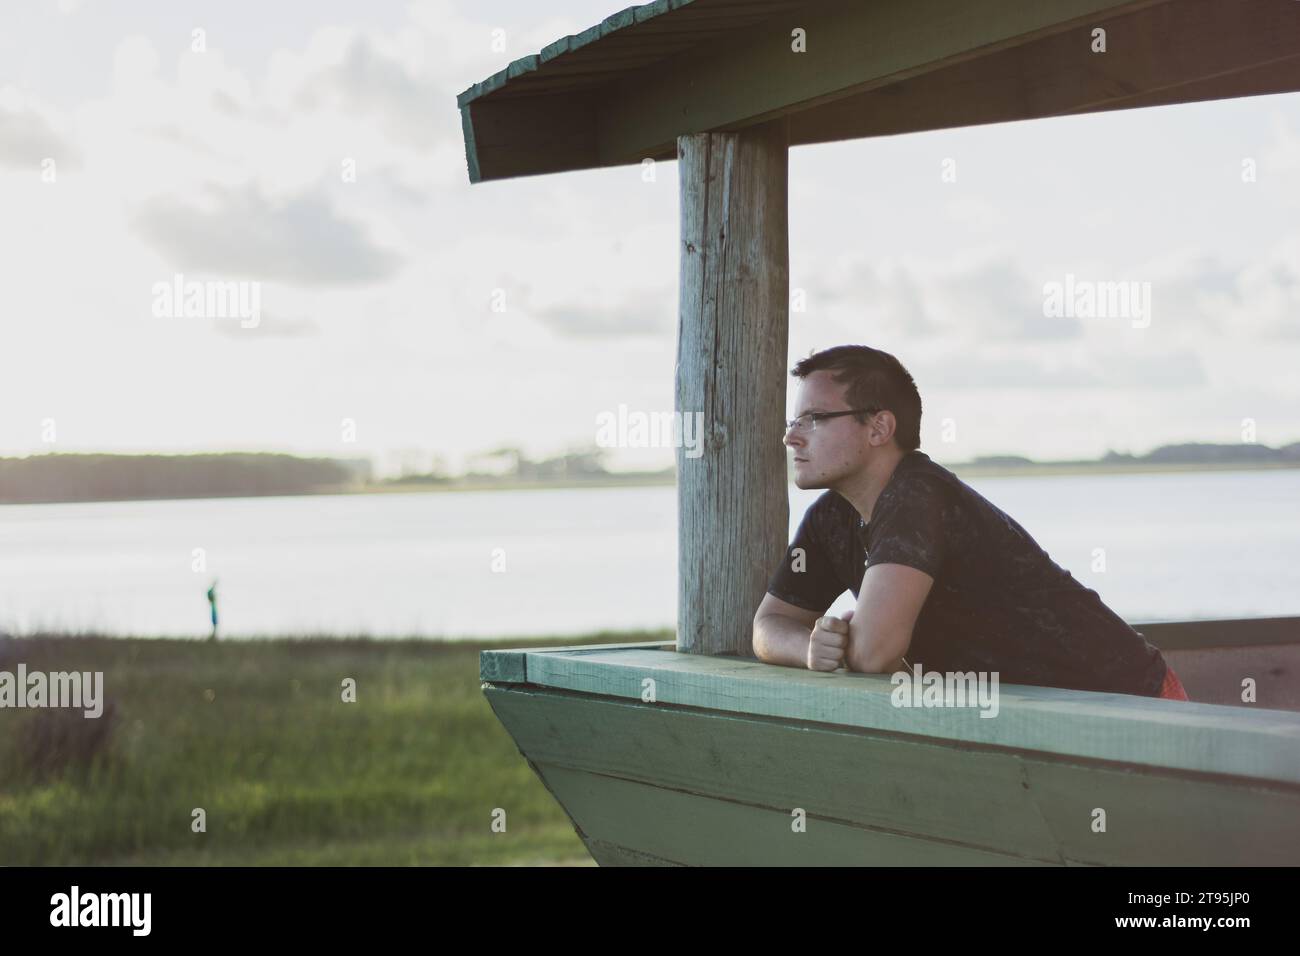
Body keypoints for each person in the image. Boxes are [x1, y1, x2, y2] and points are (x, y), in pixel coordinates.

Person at [752, 344, 1189, 700]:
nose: (792, 436)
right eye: (795, 420)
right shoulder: (832, 515)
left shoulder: (918, 495)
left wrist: (848, 642)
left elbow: (873, 653)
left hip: (1128, 703)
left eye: (814, 419)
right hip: (1032, 720)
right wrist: (809, 648)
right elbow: (767, 625)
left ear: (879, 427)